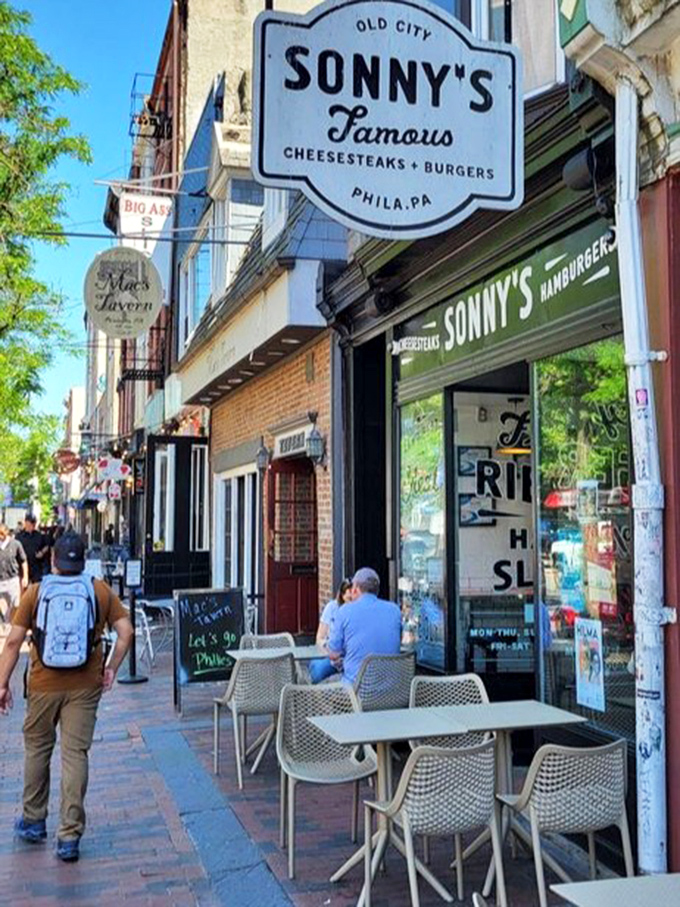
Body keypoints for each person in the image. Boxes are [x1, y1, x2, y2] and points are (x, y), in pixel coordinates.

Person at [0, 531, 133, 862]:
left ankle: (33, 820)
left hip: (44, 685)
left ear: (54, 559)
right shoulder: (99, 590)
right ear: (83, 558)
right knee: (75, 755)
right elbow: (126, 632)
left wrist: (2, 683)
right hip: (85, 686)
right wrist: (111, 668)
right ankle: (69, 836)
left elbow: (14, 642)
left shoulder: (36, 592)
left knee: (37, 749)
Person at [327, 567, 401, 684]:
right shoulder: (395, 610)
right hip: (393, 692)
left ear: (355, 589)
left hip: (357, 692)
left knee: (320, 688)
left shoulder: (344, 611)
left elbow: (333, 653)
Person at [309, 578, 352, 684]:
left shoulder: (358, 611)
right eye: (349, 598)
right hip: (331, 656)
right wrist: (329, 653)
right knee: (317, 673)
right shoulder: (332, 608)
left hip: (350, 657)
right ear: (342, 595)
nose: (351, 602)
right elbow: (319, 638)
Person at [0, 524, 28, 624]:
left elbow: (23, 560)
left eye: (2, 534)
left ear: (7, 533)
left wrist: (25, 576)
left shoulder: (16, 544)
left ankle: (8, 621)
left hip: (12, 579)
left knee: (15, 604)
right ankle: (3, 620)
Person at [16, 515, 50, 582]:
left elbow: (47, 546)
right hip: (22, 568)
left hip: (36, 567)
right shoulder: (19, 536)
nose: (32, 525)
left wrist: (42, 553)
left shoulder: (39, 535)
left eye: (33, 523)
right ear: (25, 523)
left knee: (35, 589)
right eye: (30, 523)